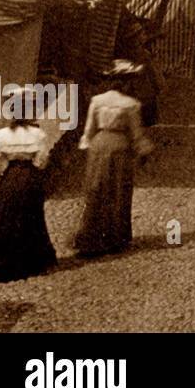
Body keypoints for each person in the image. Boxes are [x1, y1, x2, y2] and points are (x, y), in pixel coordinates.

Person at [74, 65, 156, 256]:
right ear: (127, 82)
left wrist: (89, 147)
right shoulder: (131, 104)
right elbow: (136, 134)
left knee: (96, 188)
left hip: (99, 144)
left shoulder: (97, 100)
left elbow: (89, 130)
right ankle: (114, 237)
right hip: (119, 146)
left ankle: (90, 236)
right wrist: (145, 152)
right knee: (118, 189)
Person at [0, 85, 56, 282]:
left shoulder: (1, 135)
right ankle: (33, 262)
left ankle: (2, 263)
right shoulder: (37, 135)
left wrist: (1, 173)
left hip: (10, 178)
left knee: (5, 218)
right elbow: (42, 160)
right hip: (30, 177)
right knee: (31, 216)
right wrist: (33, 169)